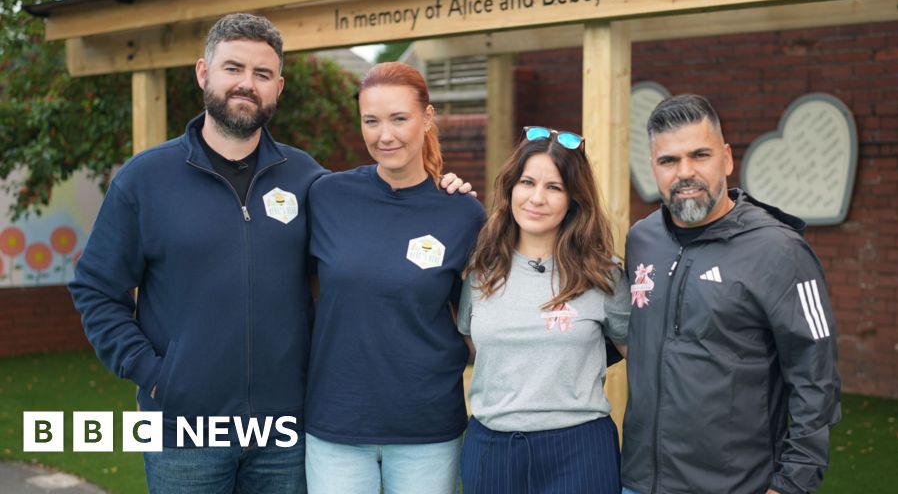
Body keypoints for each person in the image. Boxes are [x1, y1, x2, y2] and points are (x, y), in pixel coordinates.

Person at [69, 14, 469, 493]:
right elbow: (95, 289)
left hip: (285, 431)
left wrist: (443, 196)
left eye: (262, 74)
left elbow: (376, 233)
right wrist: (154, 375)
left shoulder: (307, 179)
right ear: (203, 73)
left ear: (277, 87)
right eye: (233, 68)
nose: (247, 83)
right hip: (183, 427)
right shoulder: (145, 179)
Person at [620, 94, 841, 494]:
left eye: (699, 155)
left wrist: (792, 483)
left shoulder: (780, 250)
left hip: (737, 485)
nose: (685, 172)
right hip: (639, 482)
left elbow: (816, 379)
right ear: (653, 167)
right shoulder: (641, 240)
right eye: (668, 160)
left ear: (725, 158)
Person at [303, 62, 486, 494]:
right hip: (337, 422)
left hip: (427, 427)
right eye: (371, 121)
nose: (384, 135)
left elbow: (476, 319)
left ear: (427, 117)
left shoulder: (462, 212)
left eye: (399, 118)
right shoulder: (326, 196)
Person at [458, 126, 631, 494]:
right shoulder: (479, 272)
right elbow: (472, 345)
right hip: (493, 452)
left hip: (580, 452)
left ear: (574, 199)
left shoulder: (603, 275)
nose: (537, 198)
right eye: (527, 182)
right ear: (511, 188)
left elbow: (640, 357)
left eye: (554, 187)